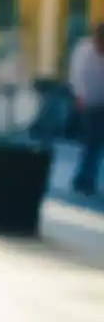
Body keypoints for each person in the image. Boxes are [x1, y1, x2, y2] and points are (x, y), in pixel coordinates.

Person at [68, 23, 104, 196]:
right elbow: (76, 75)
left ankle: (88, 179)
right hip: (89, 103)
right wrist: (80, 95)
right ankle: (83, 180)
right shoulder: (84, 50)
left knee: (95, 144)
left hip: (101, 100)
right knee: (91, 143)